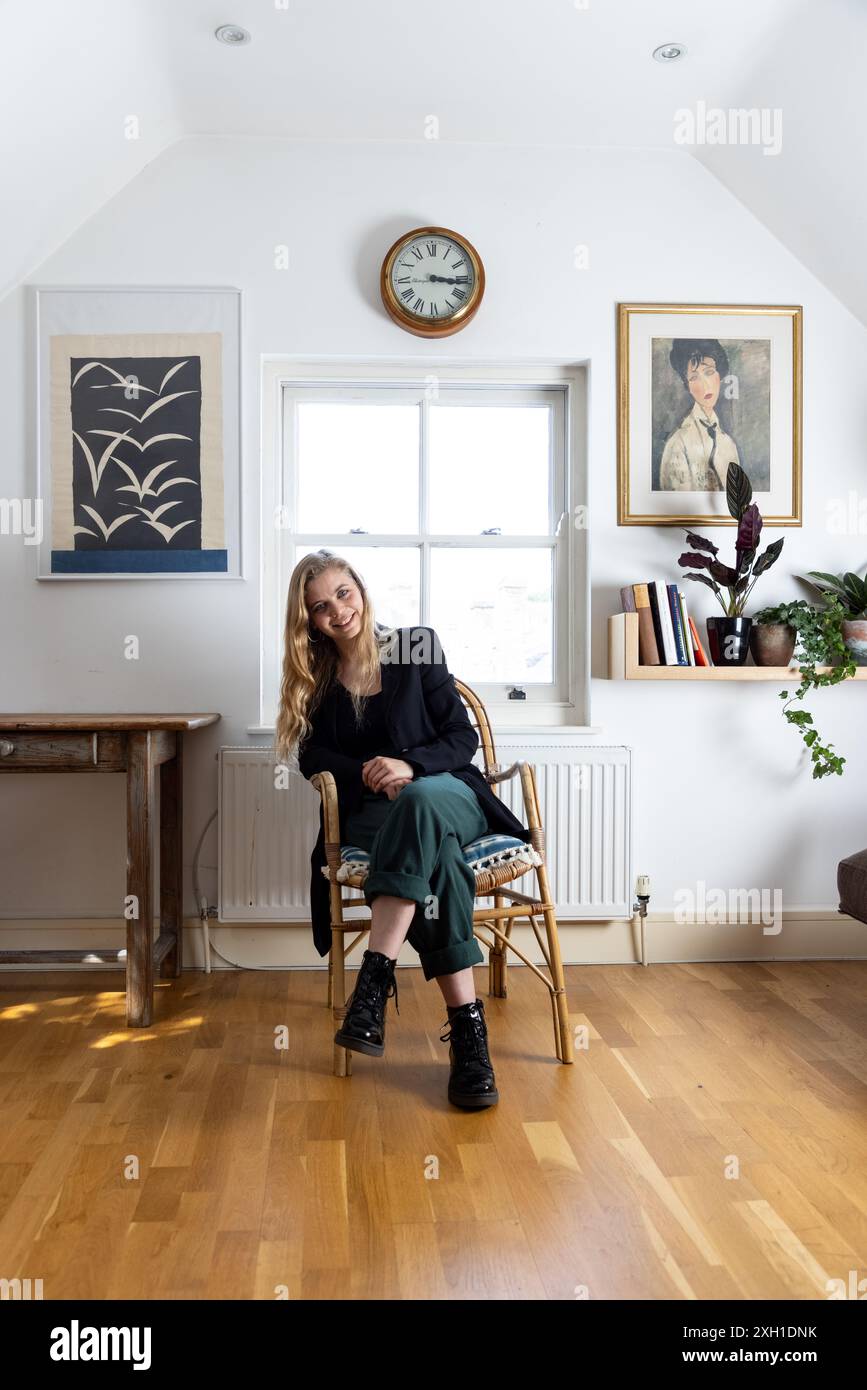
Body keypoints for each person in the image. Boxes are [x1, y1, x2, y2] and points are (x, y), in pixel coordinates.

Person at [274, 549, 533, 1109]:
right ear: (309, 621)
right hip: (379, 814)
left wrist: (410, 766)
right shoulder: (319, 677)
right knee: (438, 861)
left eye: (343, 593)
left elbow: (461, 738)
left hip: (449, 794)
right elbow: (311, 755)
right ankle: (469, 1038)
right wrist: (374, 772)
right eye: (321, 607)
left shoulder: (417, 645)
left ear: (361, 590)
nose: (338, 612)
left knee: (423, 801)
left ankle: (373, 979)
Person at [659, 338, 741, 492]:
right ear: (688, 385)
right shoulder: (678, 444)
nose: (705, 385)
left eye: (709, 372)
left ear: (719, 376)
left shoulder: (728, 444)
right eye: (694, 377)